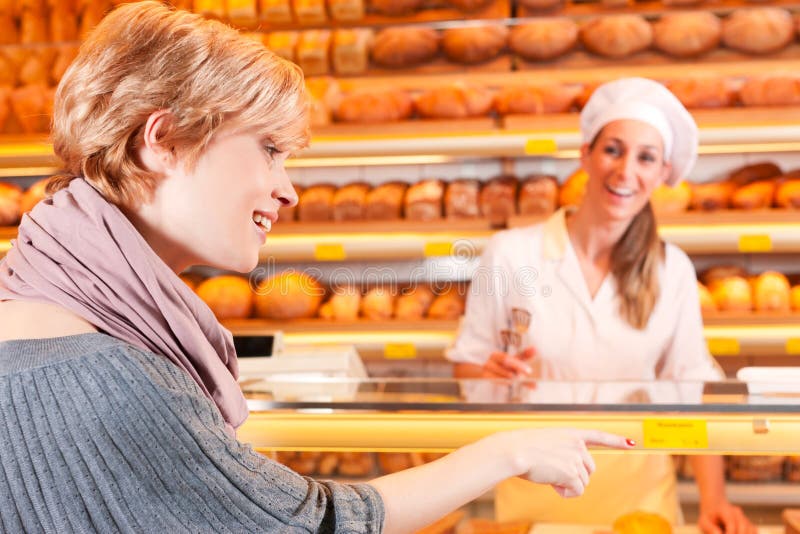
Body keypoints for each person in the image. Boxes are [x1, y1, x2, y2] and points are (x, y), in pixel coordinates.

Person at [0, 3, 633, 532]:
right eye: (269, 149)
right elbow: (305, 525)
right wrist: (508, 450)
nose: (289, 190)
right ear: (160, 141)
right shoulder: (117, 379)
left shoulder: (34, 310)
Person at [448, 77, 756, 534]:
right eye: (613, 149)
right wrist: (491, 371)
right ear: (586, 155)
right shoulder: (510, 254)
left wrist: (715, 500)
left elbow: (691, 390)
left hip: (641, 504)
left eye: (645, 157)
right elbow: (469, 366)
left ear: (661, 173)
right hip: (536, 495)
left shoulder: (671, 270)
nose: (626, 171)